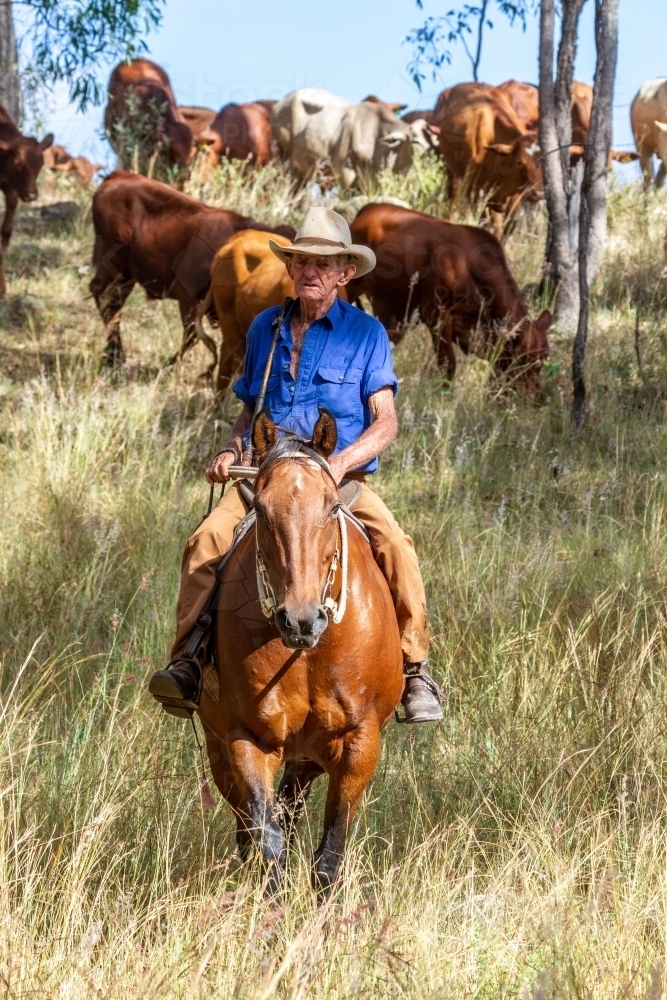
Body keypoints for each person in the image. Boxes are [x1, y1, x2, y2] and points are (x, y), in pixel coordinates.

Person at [149, 207, 443, 724]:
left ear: (344, 274)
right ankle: (188, 662)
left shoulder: (368, 334)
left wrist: (340, 464)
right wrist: (232, 450)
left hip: (338, 482)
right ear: (291, 267)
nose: (311, 271)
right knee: (204, 544)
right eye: (303, 261)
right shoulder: (267, 326)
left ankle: (416, 669)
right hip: (267, 479)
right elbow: (248, 409)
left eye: (324, 264)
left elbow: (386, 422)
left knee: (396, 545)